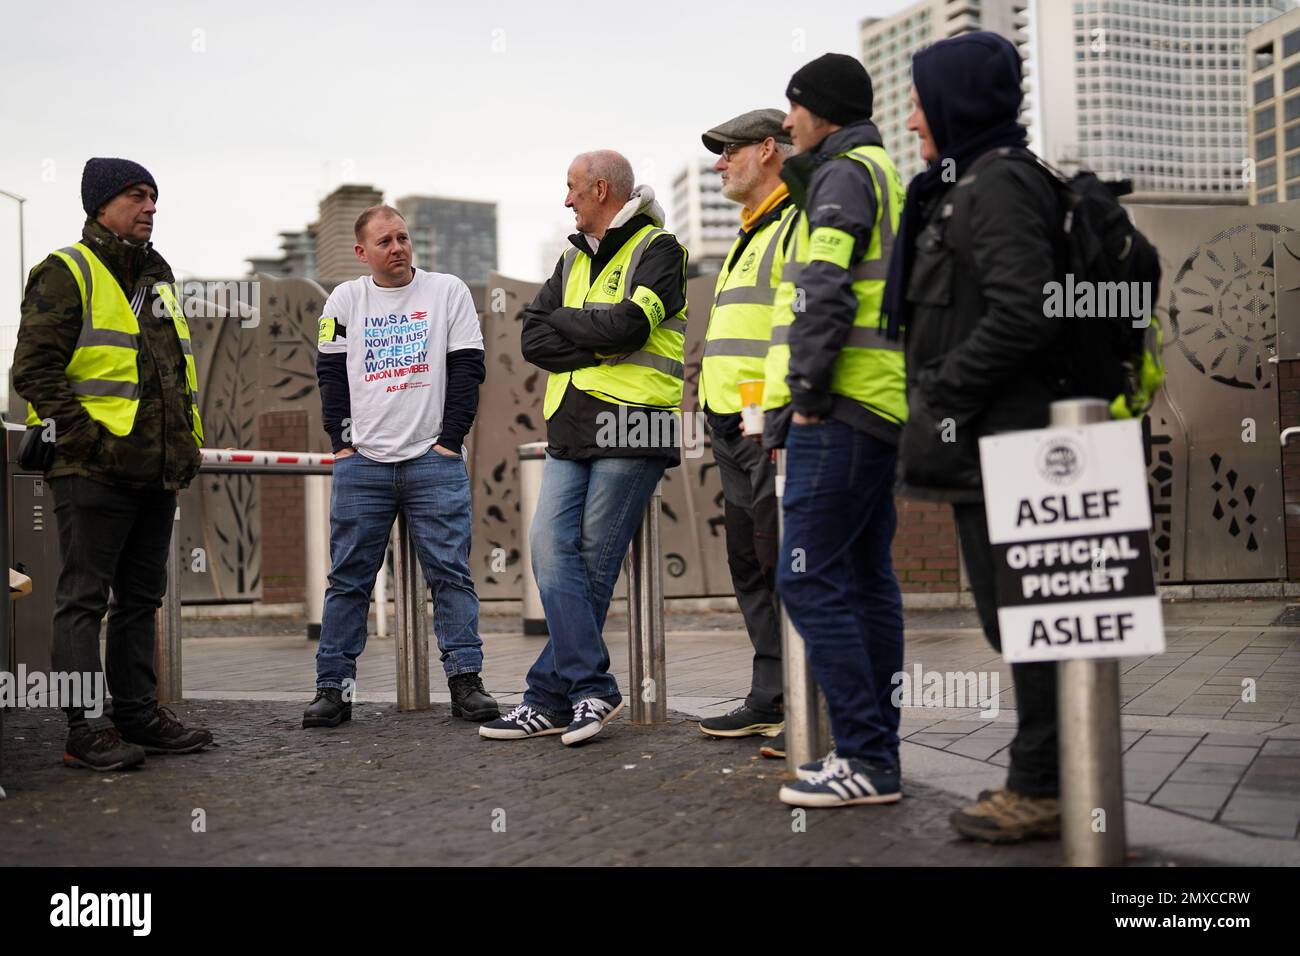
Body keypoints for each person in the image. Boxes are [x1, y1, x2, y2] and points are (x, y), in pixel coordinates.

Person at [889, 32, 1063, 842]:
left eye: (924, 99)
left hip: (1013, 445)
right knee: (1018, 621)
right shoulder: (964, 186)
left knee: (1029, 620)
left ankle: (1043, 785)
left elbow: (1024, 309)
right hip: (986, 445)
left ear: (957, 102)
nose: (915, 116)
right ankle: (1050, 777)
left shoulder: (996, 188)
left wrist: (941, 391)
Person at [480, 151, 687, 746]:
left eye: (571, 188)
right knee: (549, 551)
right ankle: (585, 691)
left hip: (634, 424)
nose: (565, 200)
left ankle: (552, 697)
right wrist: (592, 332)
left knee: (592, 564)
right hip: (572, 428)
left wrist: (575, 324)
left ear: (600, 189)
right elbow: (533, 337)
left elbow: (629, 329)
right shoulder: (572, 256)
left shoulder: (660, 251)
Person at [13, 157, 211, 770]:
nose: (150, 207)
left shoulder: (157, 275)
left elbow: (170, 372)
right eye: (136, 196)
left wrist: (183, 448)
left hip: (156, 471)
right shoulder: (65, 271)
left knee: (140, 600)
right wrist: (91, 441)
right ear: (100, 205)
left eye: (154, 196)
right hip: (93, 471)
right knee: (83, 601)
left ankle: (137, 715)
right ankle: (82, 730)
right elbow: (33, 372)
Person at [760, 54, 909, 807]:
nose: (788, 123)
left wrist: (808, 390)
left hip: (841, 403)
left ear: (821, 110)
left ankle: (865, 756)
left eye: (794, 107)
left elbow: (825, 285)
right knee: (865, 579)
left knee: (807, 575)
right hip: (881, 403)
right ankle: (878, 757)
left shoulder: (846, 174)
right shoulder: (883, 170)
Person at [306, 204, 498, 728]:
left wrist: (450, 442)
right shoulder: (344, 300)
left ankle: (466, 682)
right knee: (348, 580)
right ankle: (332, 690)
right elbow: (329, 375)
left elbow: (467, 370)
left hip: (431, 461)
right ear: (362, 252)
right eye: (385, 241)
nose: (398, 248)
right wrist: (342, 445)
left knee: (452, 576)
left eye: (403, 238)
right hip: (362, 464)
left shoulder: (448, 291)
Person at [693, 109, 797, 751]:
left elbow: (795, 325)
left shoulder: (794, 222)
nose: (718, 162)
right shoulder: (749, 231)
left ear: (767, 149)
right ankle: (770, 695)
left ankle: (806, 702)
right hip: (732, 424)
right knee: (750, 562)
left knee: (784, 561)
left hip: (768, 426)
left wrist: (774, 411)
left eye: (729, 150)